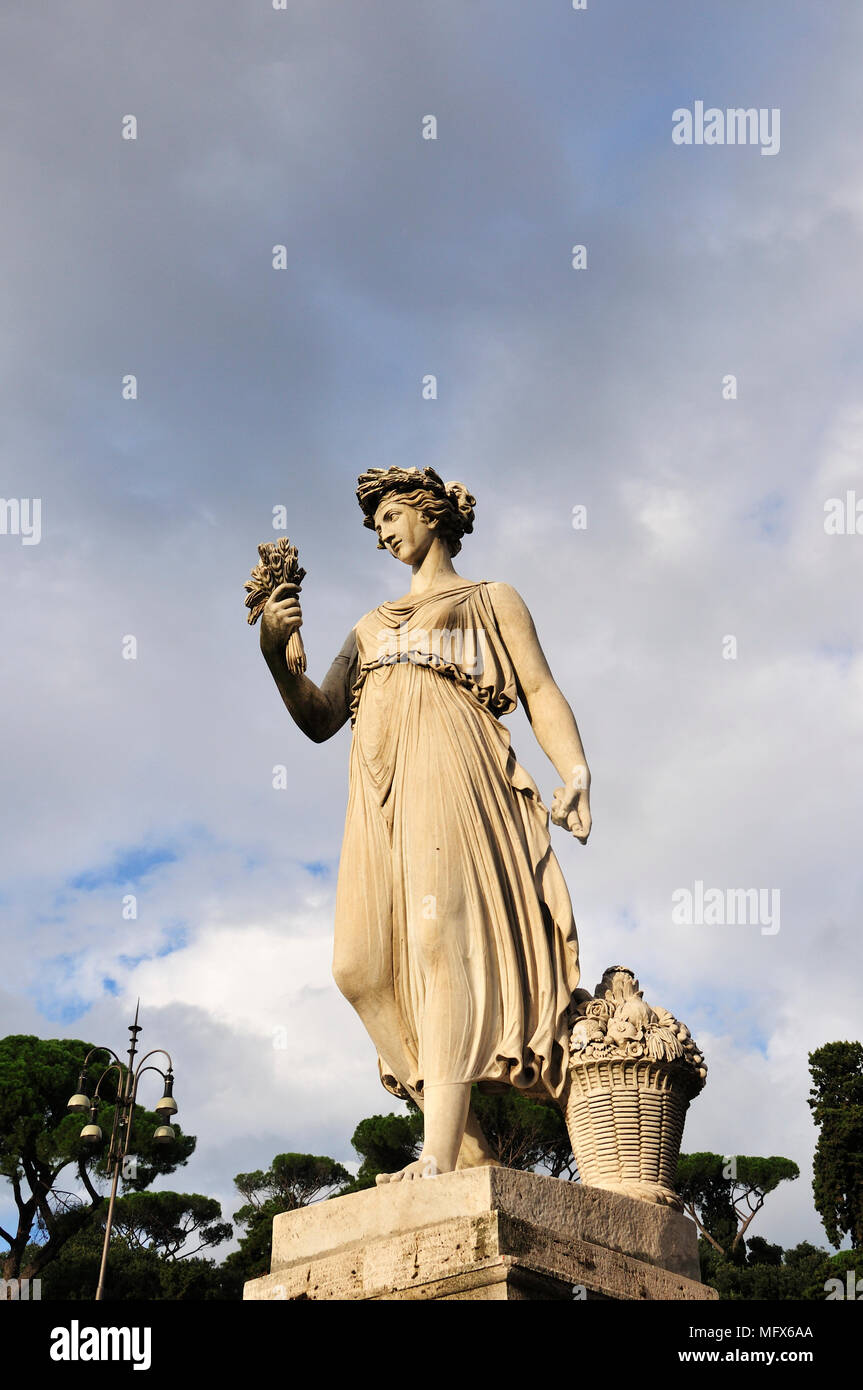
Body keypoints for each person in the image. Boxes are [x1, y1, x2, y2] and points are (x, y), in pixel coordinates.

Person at [259, 466, 591, 1181]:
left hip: (452, 763)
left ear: (430, 515)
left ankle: (437, 1152)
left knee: (439, 941)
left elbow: (538, 688)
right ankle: (460, 1134)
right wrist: (274, 658)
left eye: (389, 516)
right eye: (374, 524)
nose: (381, 533)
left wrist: (575, 772)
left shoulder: (488, 597)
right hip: (377, 782)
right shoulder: (367, 625)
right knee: (358, 966)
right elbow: (320, 718)